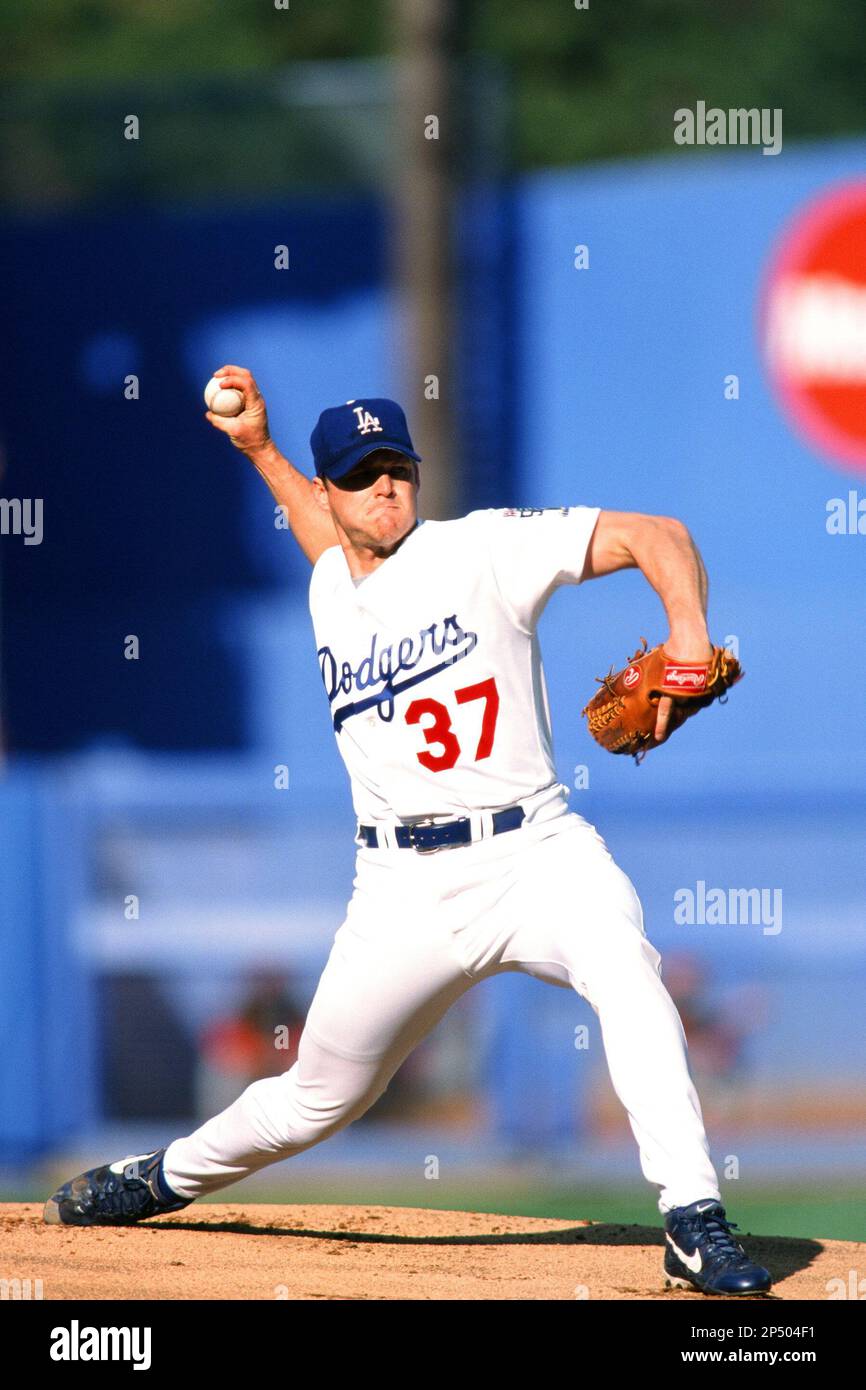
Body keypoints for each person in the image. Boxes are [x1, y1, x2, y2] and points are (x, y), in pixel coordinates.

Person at [44, 369, 772, 1297]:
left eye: (396, 466)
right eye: (360, 474)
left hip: (534, 854)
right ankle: (161, 1178)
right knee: (316, 1099)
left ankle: (694, 1218)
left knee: (627, 971)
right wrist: (260, 449)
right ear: (329, 491)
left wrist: (688, 639)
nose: (383, 485)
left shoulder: (482, 550)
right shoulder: (327, 587)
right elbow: (331, 549)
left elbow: (655, 534)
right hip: (400, 892)